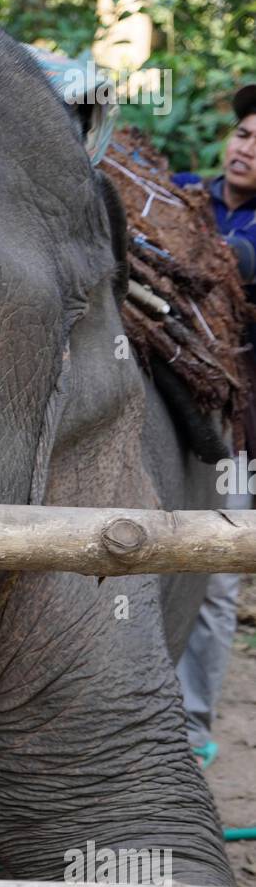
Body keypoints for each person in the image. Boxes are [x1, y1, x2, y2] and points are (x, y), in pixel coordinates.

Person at [172, 84, 256, 767]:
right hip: (166, 412)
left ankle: (190, 728)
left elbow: (235, 265)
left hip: (237, 431)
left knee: (215, 574)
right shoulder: (184, 194)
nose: (248, 148)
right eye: (246, 133)